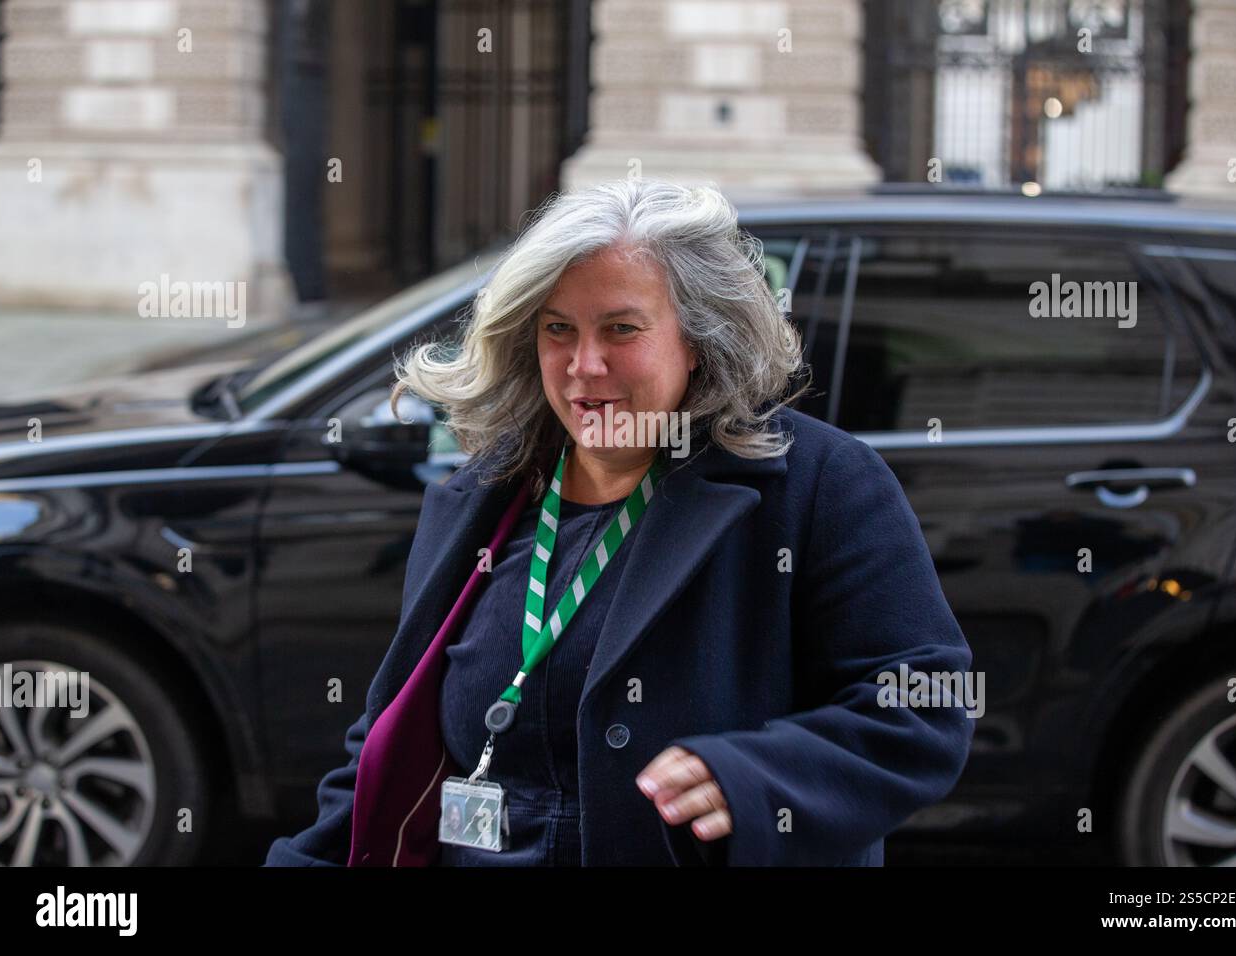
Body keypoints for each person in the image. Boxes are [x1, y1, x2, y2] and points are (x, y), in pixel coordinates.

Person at [265, 178, 974, 867]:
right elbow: (388, 742)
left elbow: (924, 707)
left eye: (622, 329)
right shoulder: (478, 497)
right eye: (558, 330)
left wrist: (755, 779)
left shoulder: (820, 484)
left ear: (698, 338)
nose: (584, 366)